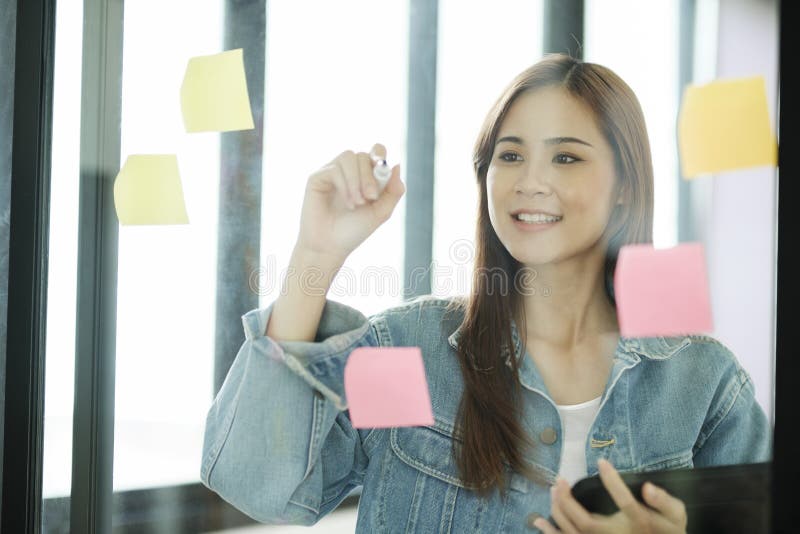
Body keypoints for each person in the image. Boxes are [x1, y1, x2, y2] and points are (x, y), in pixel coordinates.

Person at [201, 54, 771, 533]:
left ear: (625, 187)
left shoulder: (704, 386)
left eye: (566, 156)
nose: (530, 181)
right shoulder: (409, 353)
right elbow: (257, 486)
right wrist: (315, 255)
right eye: (511, 155)